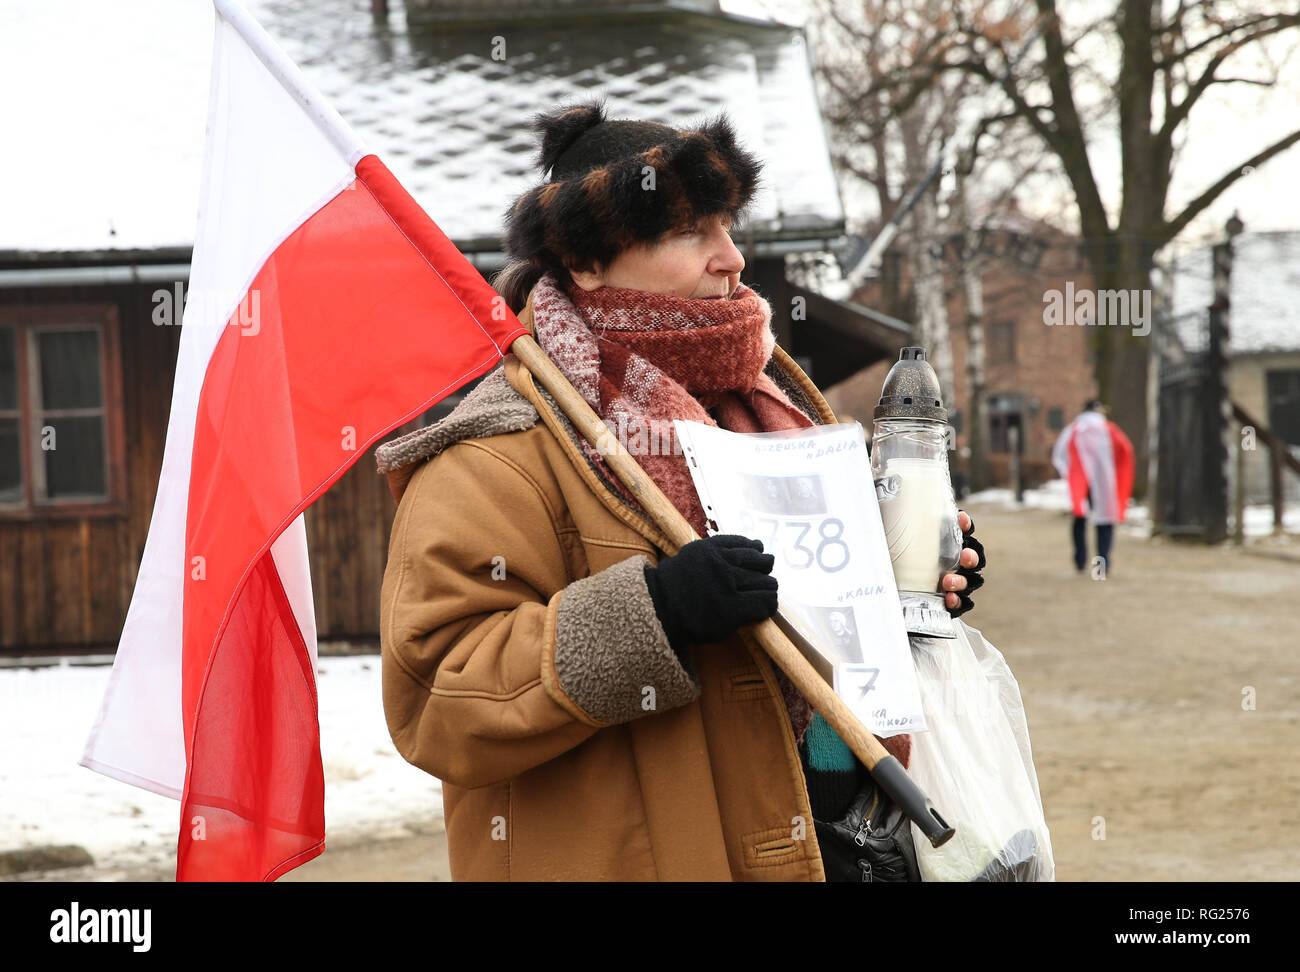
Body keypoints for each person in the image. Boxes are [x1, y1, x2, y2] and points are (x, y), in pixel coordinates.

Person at [375, 99, 987, 881]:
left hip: (838, 849)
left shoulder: (768, 406)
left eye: (728, 225)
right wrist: (654, 612)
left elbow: (818, 629)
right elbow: (439, 698)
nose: (730, 257)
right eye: (690, 231)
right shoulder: (497, 449)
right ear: (587, 261)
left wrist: (905, 585)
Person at [1051, 399, 1135, 575]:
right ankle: (1101, 566)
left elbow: (1059, 455)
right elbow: (1126, 450)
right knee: (1104, 521)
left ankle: (1080, 561)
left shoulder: (1073, 429)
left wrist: (1070, 475)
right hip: (1105, 482)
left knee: (1080, 520)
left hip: (1081, 483)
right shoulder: (1109, 429)